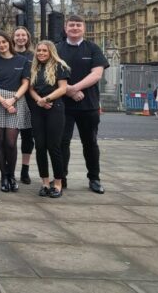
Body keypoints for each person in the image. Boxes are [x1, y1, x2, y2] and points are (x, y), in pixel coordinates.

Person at [57, 14, 109, 194]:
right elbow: (49, 75)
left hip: (89, 105)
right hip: (63, 106)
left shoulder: (93, 48)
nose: (75, 28)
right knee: (62, 143)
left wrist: (73, 88)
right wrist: (68, 91)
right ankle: (61, 178)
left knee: (90, 143)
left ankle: (94, 178)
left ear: (84, 28)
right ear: (65, 28)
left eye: (78, 25)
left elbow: (97, 74)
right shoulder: (56, 49)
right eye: (71, 25)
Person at [0, 31, 31, 192]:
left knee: (11, 142)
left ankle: (12, 175)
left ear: (9, 42)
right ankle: (4, 176)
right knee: (0, 142)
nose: (1, 45)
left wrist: (13, 99)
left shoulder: (23, 61)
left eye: (4, 42)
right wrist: (3, 101)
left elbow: (25, 84)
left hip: (15, 101)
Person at [28, 41, 70, 198]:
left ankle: (58, 183)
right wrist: (39, 100)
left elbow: (63, 88)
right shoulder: (34, 67)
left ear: (51, 51)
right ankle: (45, 182)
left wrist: (46, 99)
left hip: (55, 108)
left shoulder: (60, 66)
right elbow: (31, 89)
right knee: (40, 146)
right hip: (38, 109)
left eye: (44, 50)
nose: (41, 53)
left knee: (54, 147)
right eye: (38, 50)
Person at [13, 26, 34, 185]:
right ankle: (9, 170)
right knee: (9, 139)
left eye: (23, 35)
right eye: (17, 35)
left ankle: (25, 169)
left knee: (28, 137)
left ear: (27, 38)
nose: (20, 38)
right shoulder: (8, 54)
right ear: (13, 38)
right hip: (11, 100)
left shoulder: (34, 55)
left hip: (29, 100)